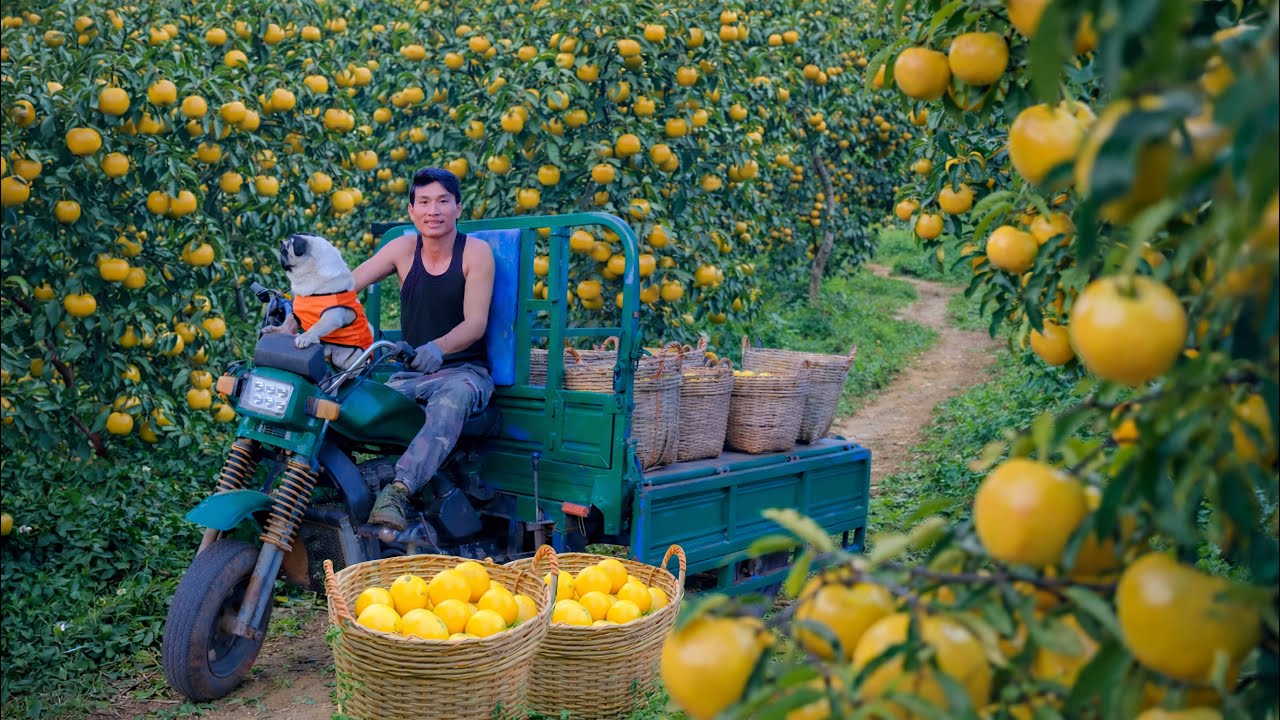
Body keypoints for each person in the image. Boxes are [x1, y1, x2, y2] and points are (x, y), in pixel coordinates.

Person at [351, 167, 496, 530]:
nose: (434, 211)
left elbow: (475, 323)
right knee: (352, 402)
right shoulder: (402, 248)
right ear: (412, 210)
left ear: (459, 208)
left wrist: (439, 348)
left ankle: (397, 492)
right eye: (425, 202)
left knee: (451, 398)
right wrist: (295, 312)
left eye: (443, 201)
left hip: (464, 373)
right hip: (412, 374)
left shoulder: (476, 253)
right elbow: (345, 286)